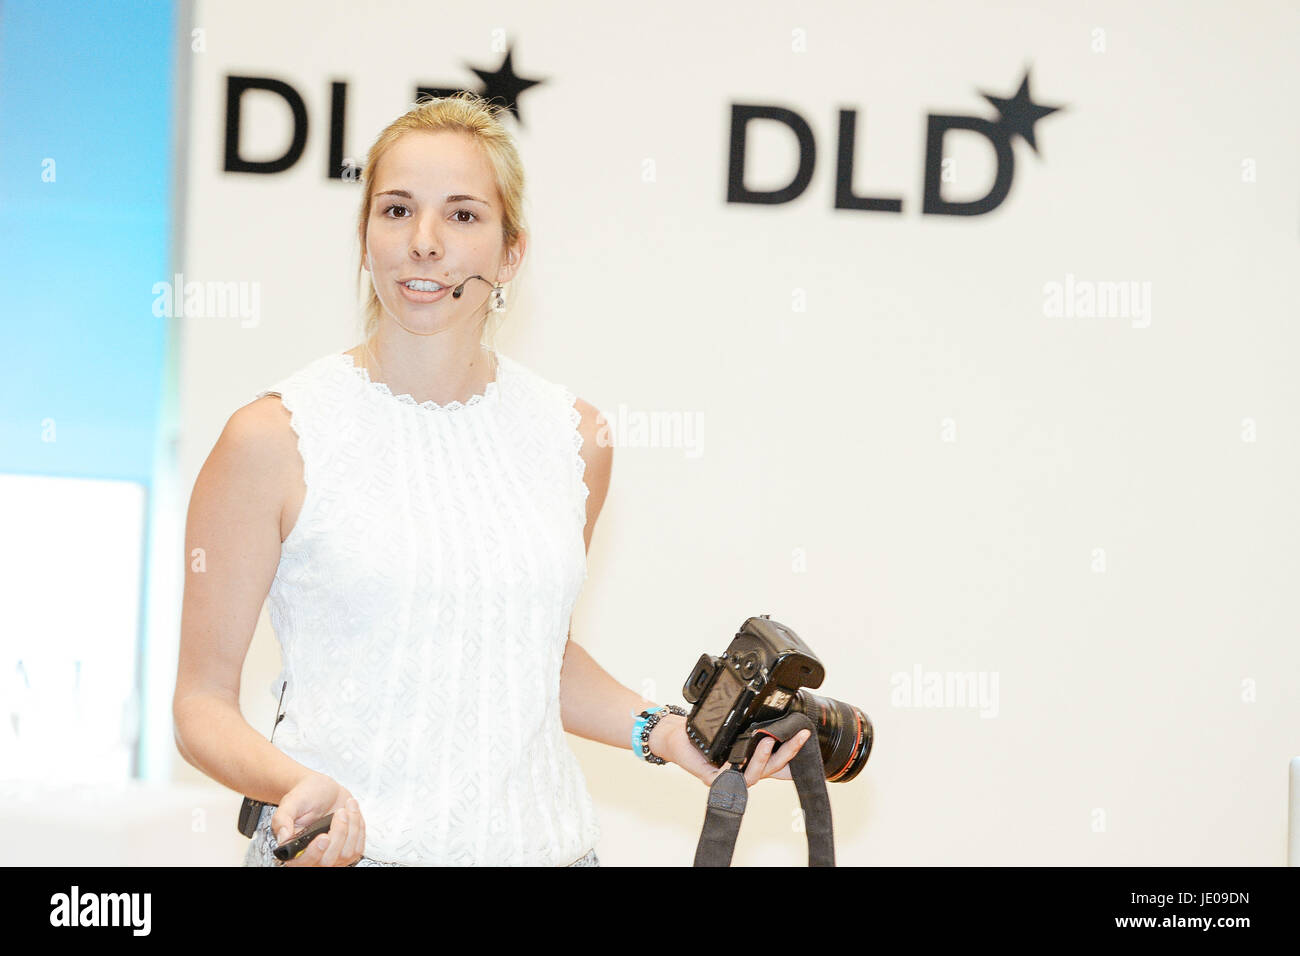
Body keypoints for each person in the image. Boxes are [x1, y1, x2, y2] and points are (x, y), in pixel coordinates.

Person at [172, 91, 810, 867]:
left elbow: (529, 655)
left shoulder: (575, 437)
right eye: (397, 210)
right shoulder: (273, 437)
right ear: (366, 236)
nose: (425, 243)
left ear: (512, 253)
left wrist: (670, 733)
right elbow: (200, 704)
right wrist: (298, 785)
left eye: (464, 215)